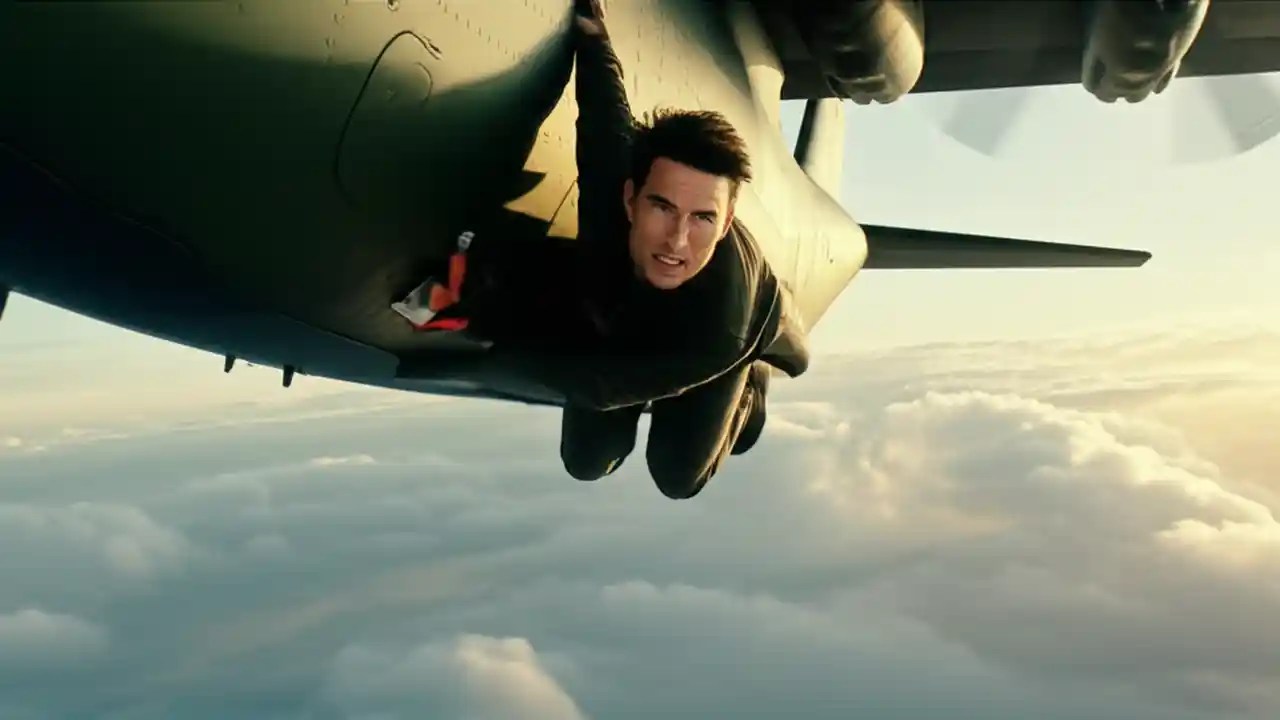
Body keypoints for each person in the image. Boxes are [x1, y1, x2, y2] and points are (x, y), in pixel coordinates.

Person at [481, 0, 809, 498]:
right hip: (633, 321)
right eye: (662, 208)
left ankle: (749, 388)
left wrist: (476, 349)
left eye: (703, 218)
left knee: (677, 476)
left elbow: (598, 387)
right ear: (632, 198)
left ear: (726, 225)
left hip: (719, 346)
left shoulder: (722, 329)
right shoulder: (616, 188)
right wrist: (594, 36)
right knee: (586, 461)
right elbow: (603, 119)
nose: (677, 241)